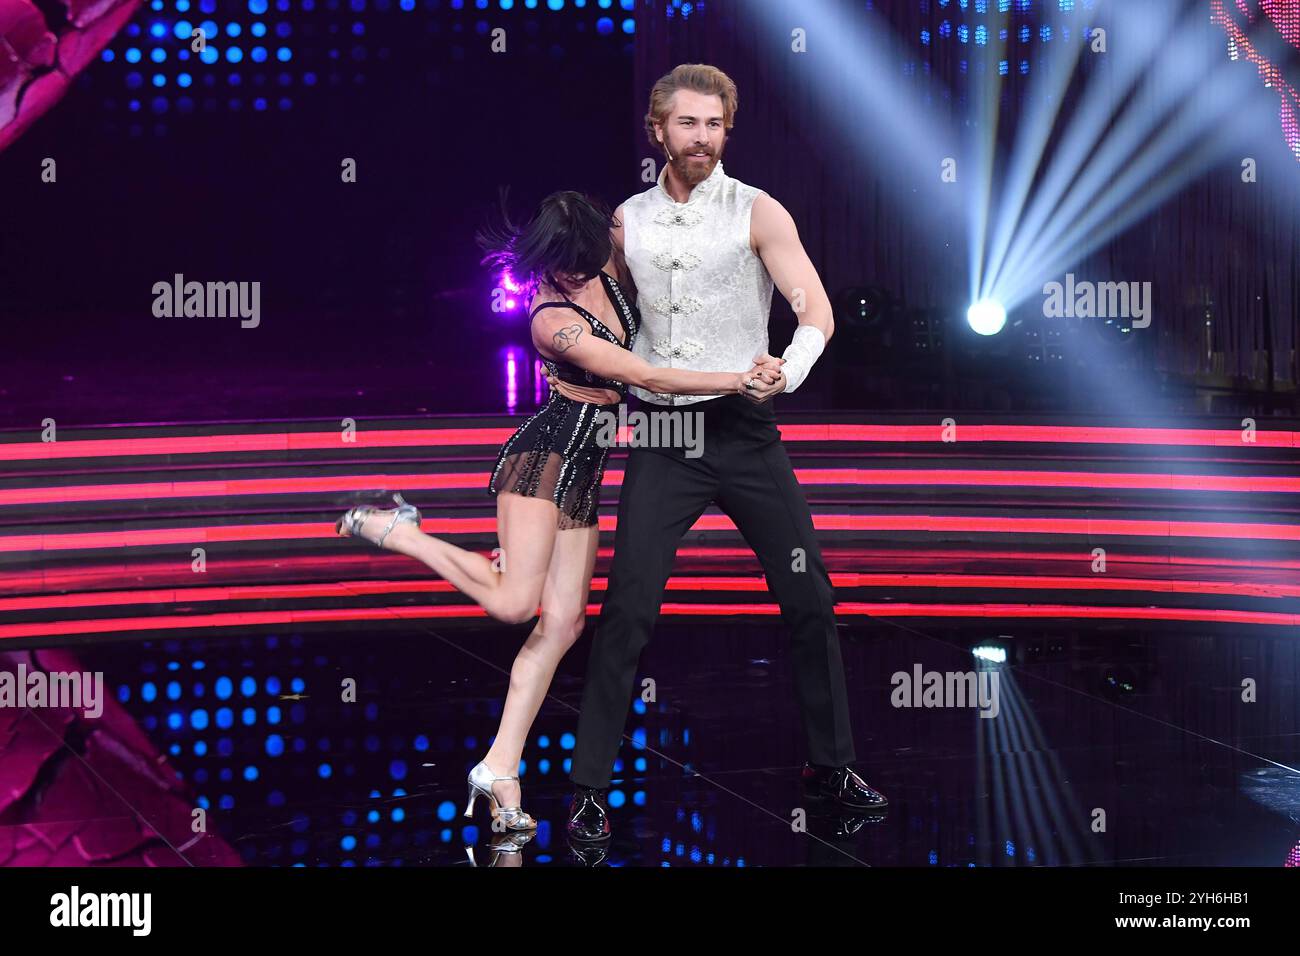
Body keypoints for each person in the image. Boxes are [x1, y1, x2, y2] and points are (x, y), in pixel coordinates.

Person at [333, 188, 781, 835]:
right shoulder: (550, 317)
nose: (576, 273)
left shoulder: (607, 252)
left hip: (586, 469)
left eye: (584, 260)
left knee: (565, 624)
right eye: (565, 266)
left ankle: (500, 767)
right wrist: (736, 378)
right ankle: (399, 530)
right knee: (516, 606)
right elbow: (643, 377)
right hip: (542, 459)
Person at [562, 64, 889, 844]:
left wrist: (788, 367)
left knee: (810, 596)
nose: (701, 138)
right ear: (659, 131)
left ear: (725, 131)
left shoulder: (756, 210)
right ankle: (588, 788)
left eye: (714, 125)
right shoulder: (627, 221)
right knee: (629, 609)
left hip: (745, 428)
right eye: (688, 124)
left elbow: (816, 309)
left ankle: (829, 764)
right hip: (667, 435)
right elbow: (601, 316)